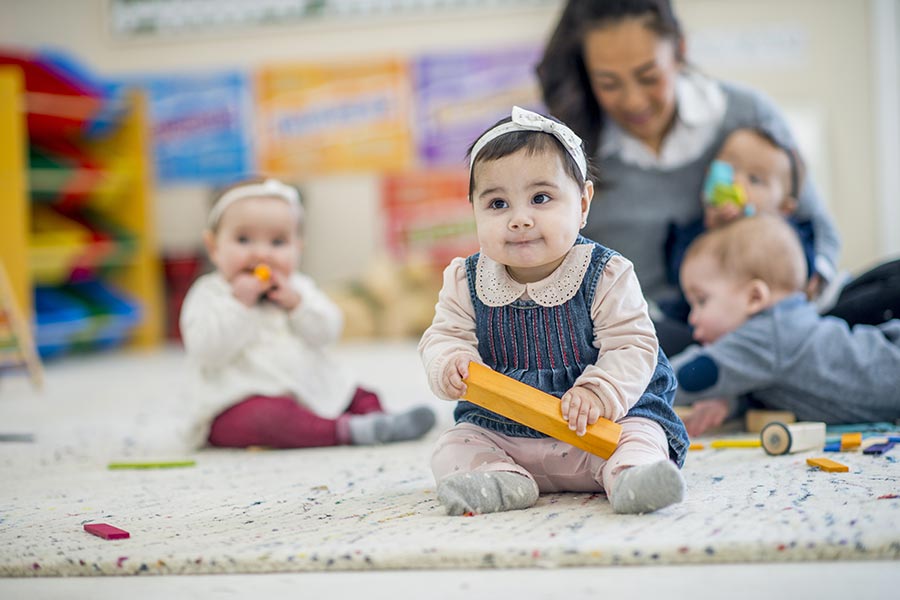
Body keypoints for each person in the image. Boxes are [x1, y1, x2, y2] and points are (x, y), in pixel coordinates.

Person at [418, 107, 689, 516]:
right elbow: (444, 336)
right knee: (452, 445)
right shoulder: (465, 278)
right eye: (497, 204)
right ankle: (499, 478)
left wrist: (598, 392)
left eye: (540, 198)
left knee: (643, 433)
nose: (520, 219)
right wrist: (450, 362)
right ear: (472, 208)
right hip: (503, 430)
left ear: (582, 203)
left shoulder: (606, 273)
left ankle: (631, 477)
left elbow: (633, 345)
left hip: (597, 428)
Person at [537, 0, 841, 355]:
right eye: (609, 84)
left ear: (680, 50)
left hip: (770, 319)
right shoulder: (569, 151)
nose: (634, 101)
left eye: (649, 76)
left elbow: (818, 230)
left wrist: (798, 291)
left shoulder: (747, 117)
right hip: (647, 335)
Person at [180, 176, 436, 449]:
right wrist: (240, 305)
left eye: (278, 242)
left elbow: (328, 331)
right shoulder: (210, 294)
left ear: (297, 247)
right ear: (214, 247)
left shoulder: (298, 288)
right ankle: (346, 430)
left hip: (309, 389)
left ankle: (379, 421)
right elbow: (207, 349)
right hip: (241, 400)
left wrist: (298, 306)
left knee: (358, 393)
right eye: (243, 239)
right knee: (266, 420)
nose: (262, 253)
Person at [670, 215, 900, 437]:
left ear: (754, 297)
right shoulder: (779, 334)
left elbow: (690, 377)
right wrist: (728, 401)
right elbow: (769, 387)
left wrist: (637, 378)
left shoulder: (769, 334)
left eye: (701, 301)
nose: (692, 318)